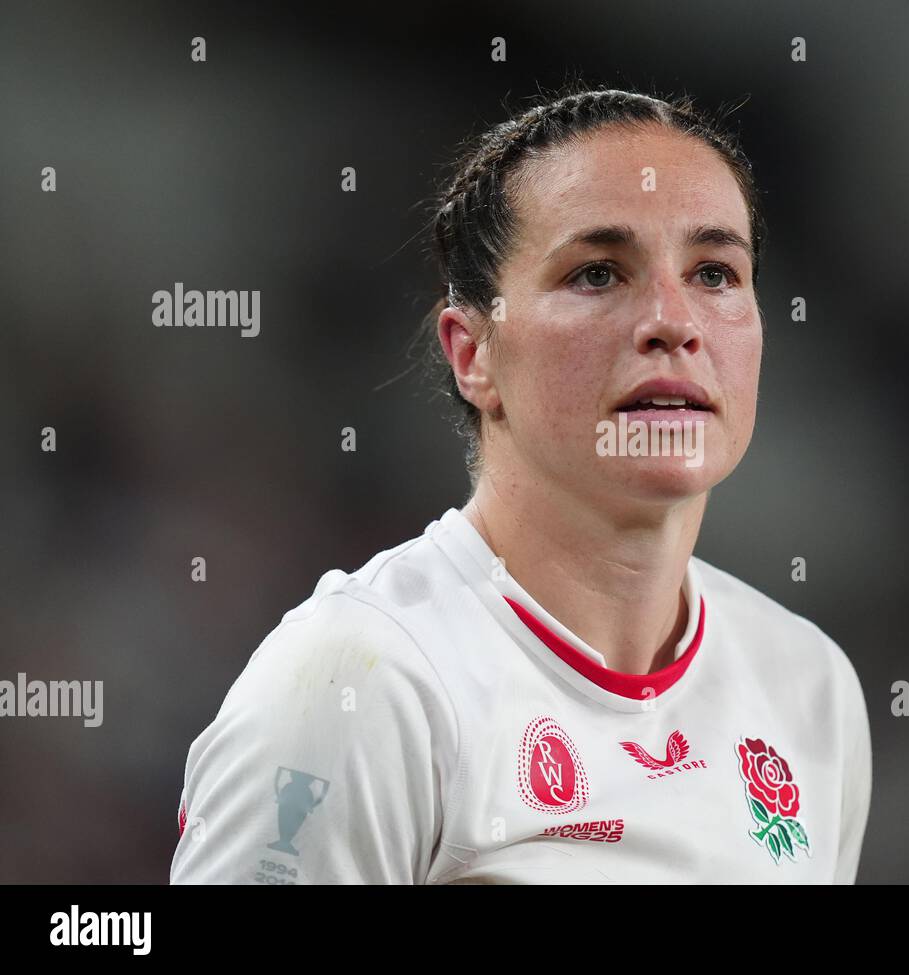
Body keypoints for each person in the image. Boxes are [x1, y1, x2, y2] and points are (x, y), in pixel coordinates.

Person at [170, 84, 871, 884]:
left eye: (715, 272)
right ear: (474, 354)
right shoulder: (360, 685)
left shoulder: (809, 686)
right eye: (599, 273)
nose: (674, 321)